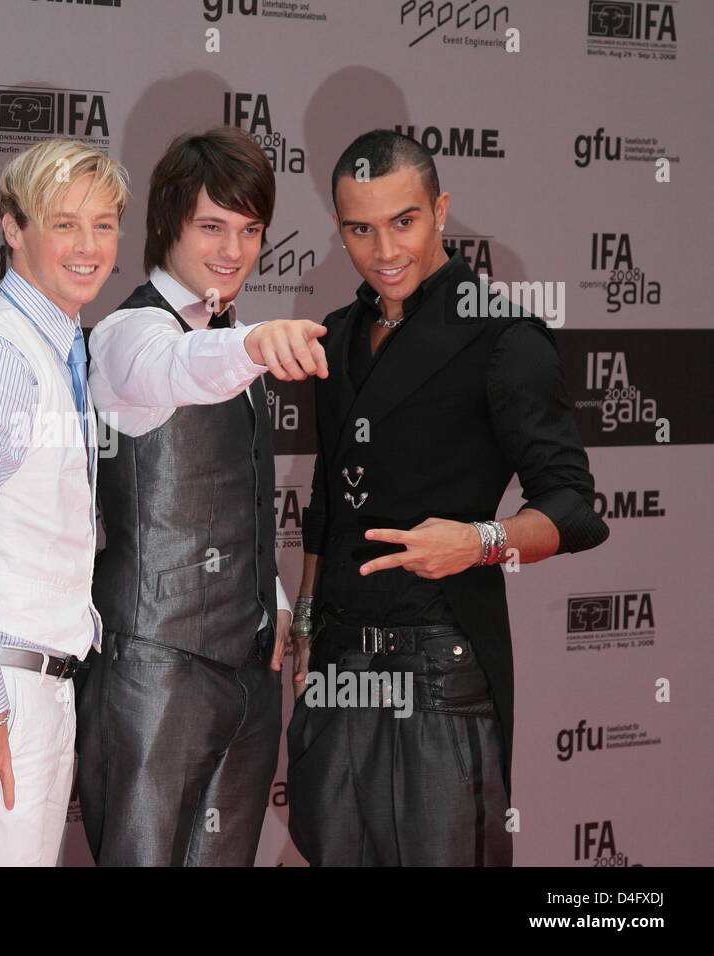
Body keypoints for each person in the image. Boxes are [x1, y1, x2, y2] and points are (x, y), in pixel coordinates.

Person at [286, 129, 609, 866]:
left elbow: (573, 506)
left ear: (440, 210)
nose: (384, 250)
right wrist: (305, 621)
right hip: (338, 665)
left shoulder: (503, 338)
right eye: (360, 229)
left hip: (439, 667)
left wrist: (480, 542)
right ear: (339, 227)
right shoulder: (336, 336)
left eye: (404, 221)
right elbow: (329, 499)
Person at [79, 126, 328, 866]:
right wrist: (252, 346)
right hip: (154, 671)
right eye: (212, 226)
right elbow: (177, 365)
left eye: (250, 230)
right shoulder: (128, 334)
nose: (234, 250)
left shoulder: (233, 336)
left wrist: (270, 599)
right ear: (169, 225)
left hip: (248, 671)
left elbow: (236, 489)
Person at [0, 138, 129, 866]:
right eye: (65, 224)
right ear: (13, 227)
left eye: (104, 225)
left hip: (42, 686)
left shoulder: (62, 348)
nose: (88, 246)